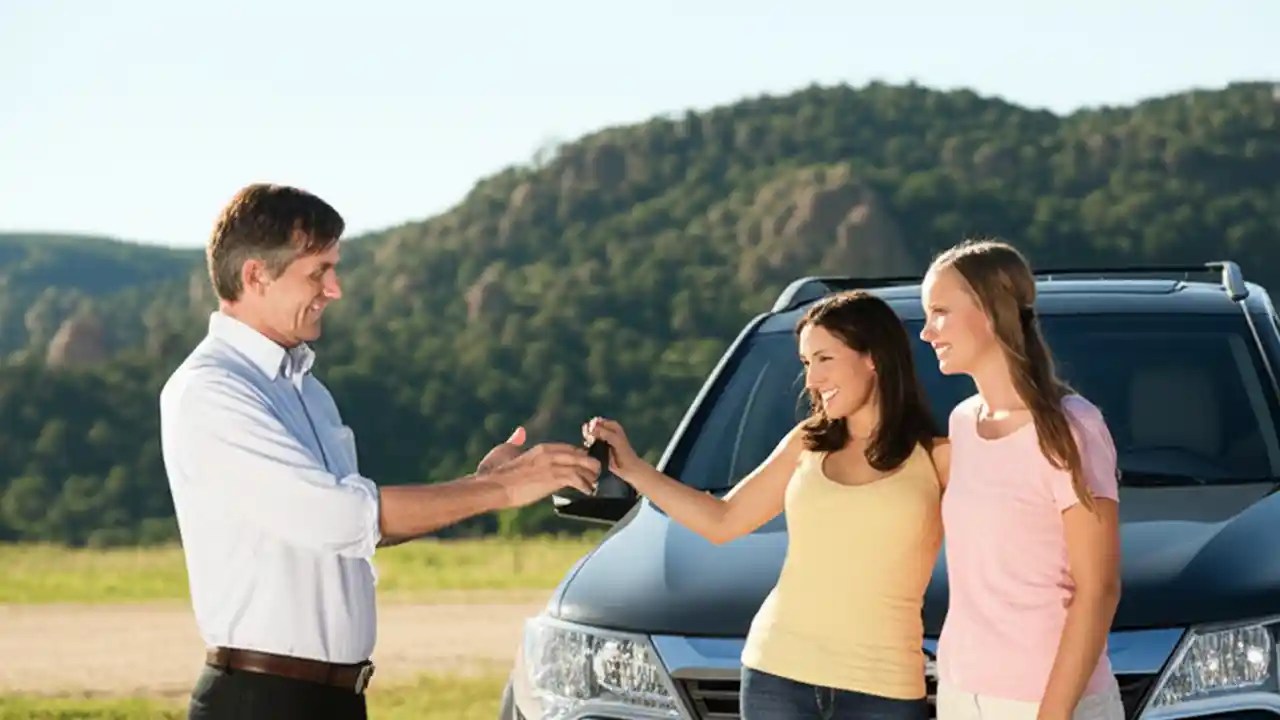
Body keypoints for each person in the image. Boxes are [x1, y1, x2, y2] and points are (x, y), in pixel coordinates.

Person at [158, 182, 601, 720]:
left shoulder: (307, 393)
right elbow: (343, 518)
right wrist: (501, 489)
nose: (334, 289)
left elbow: (361, 528)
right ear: (255, 275)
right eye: (317, 271)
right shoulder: (213, 391)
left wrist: (476, 483)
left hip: (334, 700)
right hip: (260, 702)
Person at [584, 290, 948, 720]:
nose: (812, 380)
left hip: (883, 687)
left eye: (825, 359)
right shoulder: (806, 443)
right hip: (778, 672)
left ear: (874, 357)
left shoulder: (938, 457)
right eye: (807, 363)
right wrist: (635, 470)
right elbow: (724, 520)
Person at [918, 239, 1124, 720]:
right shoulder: (963, 423)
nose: (927, 332)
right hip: (960, 695)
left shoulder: (1073, 427)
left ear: (989, 312)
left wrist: (1052, 714)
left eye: (941, 312)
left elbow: (1100, 589)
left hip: (1051, 703)